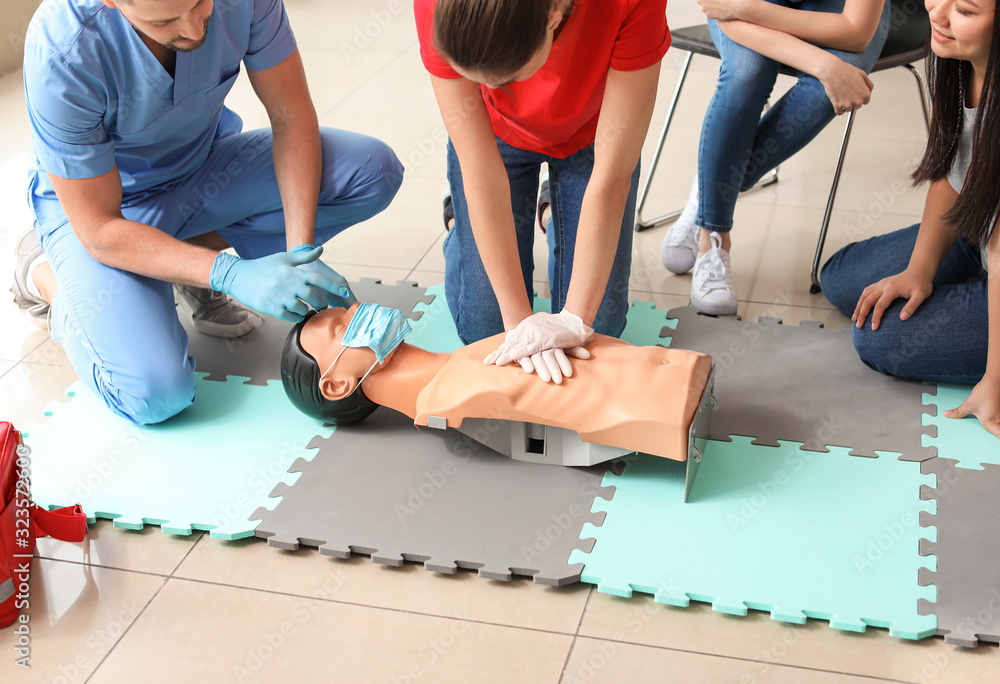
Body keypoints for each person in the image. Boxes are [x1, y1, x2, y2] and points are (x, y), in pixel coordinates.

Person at [10, 0, 403, 426]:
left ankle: (177, 263)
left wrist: (299, 252)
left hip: (203, 171)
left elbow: (290, 117)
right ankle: (49, 277)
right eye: (165, 21)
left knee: (372, 172)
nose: (196, 30)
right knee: (155, 395)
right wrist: (229, 273)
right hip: (102, 213)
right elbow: (100, 227)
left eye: (200, 2)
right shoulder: (63, 50)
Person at [414, 0, 670, 373]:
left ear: (554, 16)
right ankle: (461, 221)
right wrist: (519, 325)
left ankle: (554, 212)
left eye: (506, 77)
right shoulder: (438, 5)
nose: (489, 87)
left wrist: (575, 320)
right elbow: (480, 169)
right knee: (487, 331)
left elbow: (612, 177)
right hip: (492, 137)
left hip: (595, 134)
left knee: (600, 327)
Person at [821, 0, 999, 438]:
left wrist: (994, 381)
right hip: (981, 235)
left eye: (965, 10)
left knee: (876, 339)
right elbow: (953, 168)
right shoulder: (960, 60)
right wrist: (919, 270)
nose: (937, 14)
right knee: (841, 278)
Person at [660, 0, 891, 315]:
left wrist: (746, 8)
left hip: (843, 11)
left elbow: (855, 31)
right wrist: (823, 65)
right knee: (746, 73)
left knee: (825, 92)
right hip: (749, 7)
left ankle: (709, 190)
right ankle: (712, 238)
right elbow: (722, 9)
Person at [280, 303, 714, 462]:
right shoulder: (459, 393)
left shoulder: (463, 364)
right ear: (337, 385)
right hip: (673, 401)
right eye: (342, 327)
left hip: (675, 378)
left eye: (346, 309)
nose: (359, 308)